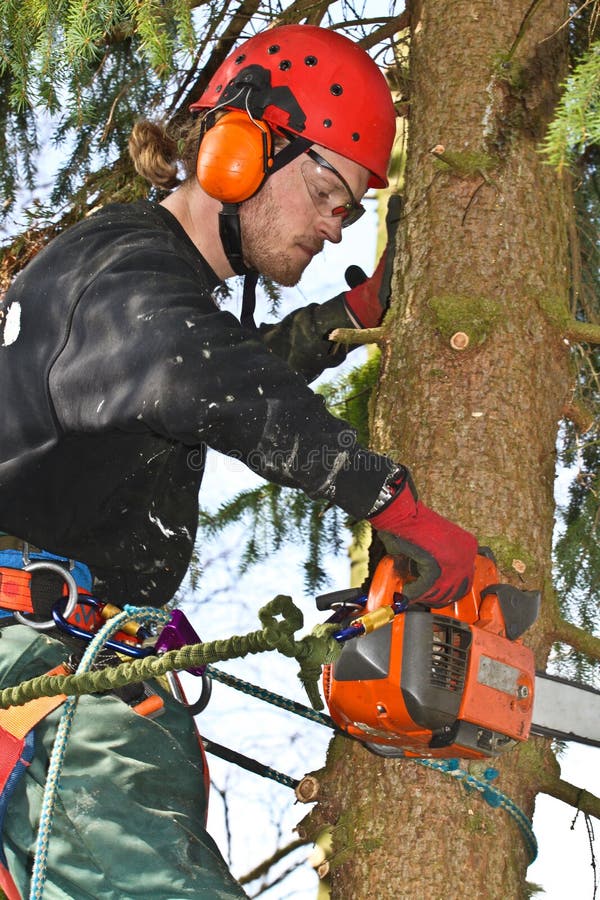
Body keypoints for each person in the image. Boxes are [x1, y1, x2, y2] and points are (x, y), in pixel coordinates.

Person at [0, 24, 478, 899]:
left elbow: (220, 364)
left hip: (53, 664)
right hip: (44, 669)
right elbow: (211, 382)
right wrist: (399, 511)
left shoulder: (131, 289)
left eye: (353, 209)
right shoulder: (126, 274)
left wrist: (350, 312)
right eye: (329, 192)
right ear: (243, 147)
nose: (336, 228)